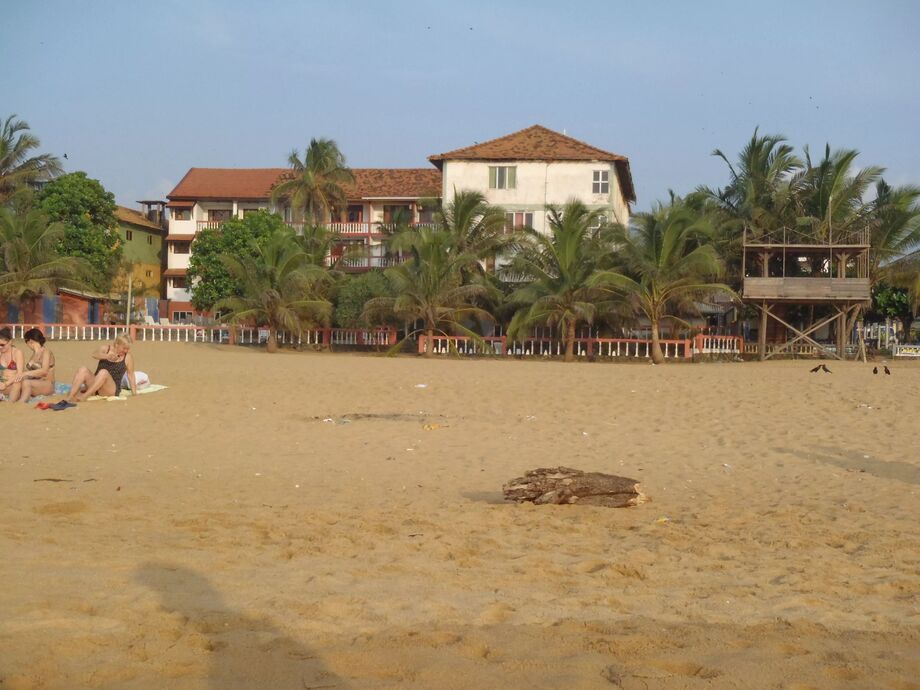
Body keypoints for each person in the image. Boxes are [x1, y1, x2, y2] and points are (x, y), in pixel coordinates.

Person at [66, 334, 137, 402]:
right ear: (116, 344)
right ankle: (70, 397)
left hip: (111, 389)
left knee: (104, 372)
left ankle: (84, 396)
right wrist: (107, 356)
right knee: (83, 369)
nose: (126, 351)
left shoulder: (128, 357)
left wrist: (134, 393)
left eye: (127, 349)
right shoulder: (106, 349)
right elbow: (94, 354)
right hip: (96, 385)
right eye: (124, 348)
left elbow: (130, 375)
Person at [14, 328, 56, 403]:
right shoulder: (34, 354)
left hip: (47, 384)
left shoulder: (46, 352)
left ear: (30, 341)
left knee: (26, 382)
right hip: (36, 383)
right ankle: (12, 399)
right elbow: (33, 374)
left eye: (25, 342)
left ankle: (21, 402)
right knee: (18, 381)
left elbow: (44, 371)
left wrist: (25, 373)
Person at [0, 327, 26, 402]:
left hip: (11, 383)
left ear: (10, 342)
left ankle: (9, 404)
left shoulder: (17, 353)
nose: (0, 347)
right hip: (1, 383)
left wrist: (6, 384)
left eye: (2, 344)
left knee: (17, 384)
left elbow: (20, 374)